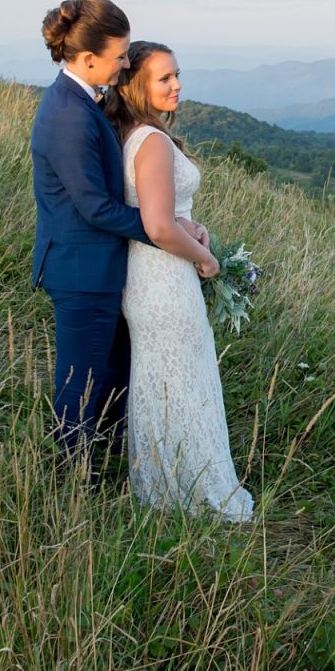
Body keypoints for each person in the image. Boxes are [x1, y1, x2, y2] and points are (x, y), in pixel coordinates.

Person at [105, 40, 255, 521]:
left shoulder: (133, 134)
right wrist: (207, 261)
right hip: (163, 279)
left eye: (177, 75)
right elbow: (160, 226)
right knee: (181, 381)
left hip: (149, 275)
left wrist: (192, 227)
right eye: (164, 78)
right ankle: (190, 493)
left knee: (165, 381)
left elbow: (162, 215)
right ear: (136, 86)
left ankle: (166, 489)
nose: (177, 85)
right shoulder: (151, 141)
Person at [30, 0, 150, 475]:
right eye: (120, 55)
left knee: (110, 370)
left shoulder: (81, 100)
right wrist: (162, 231)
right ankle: (72, 478)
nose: (126, 62)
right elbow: (94, 206)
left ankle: (105, 454)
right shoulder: (68, 115)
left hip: (96, 265)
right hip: (80, 270)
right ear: (87, 59)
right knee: (80, 380)